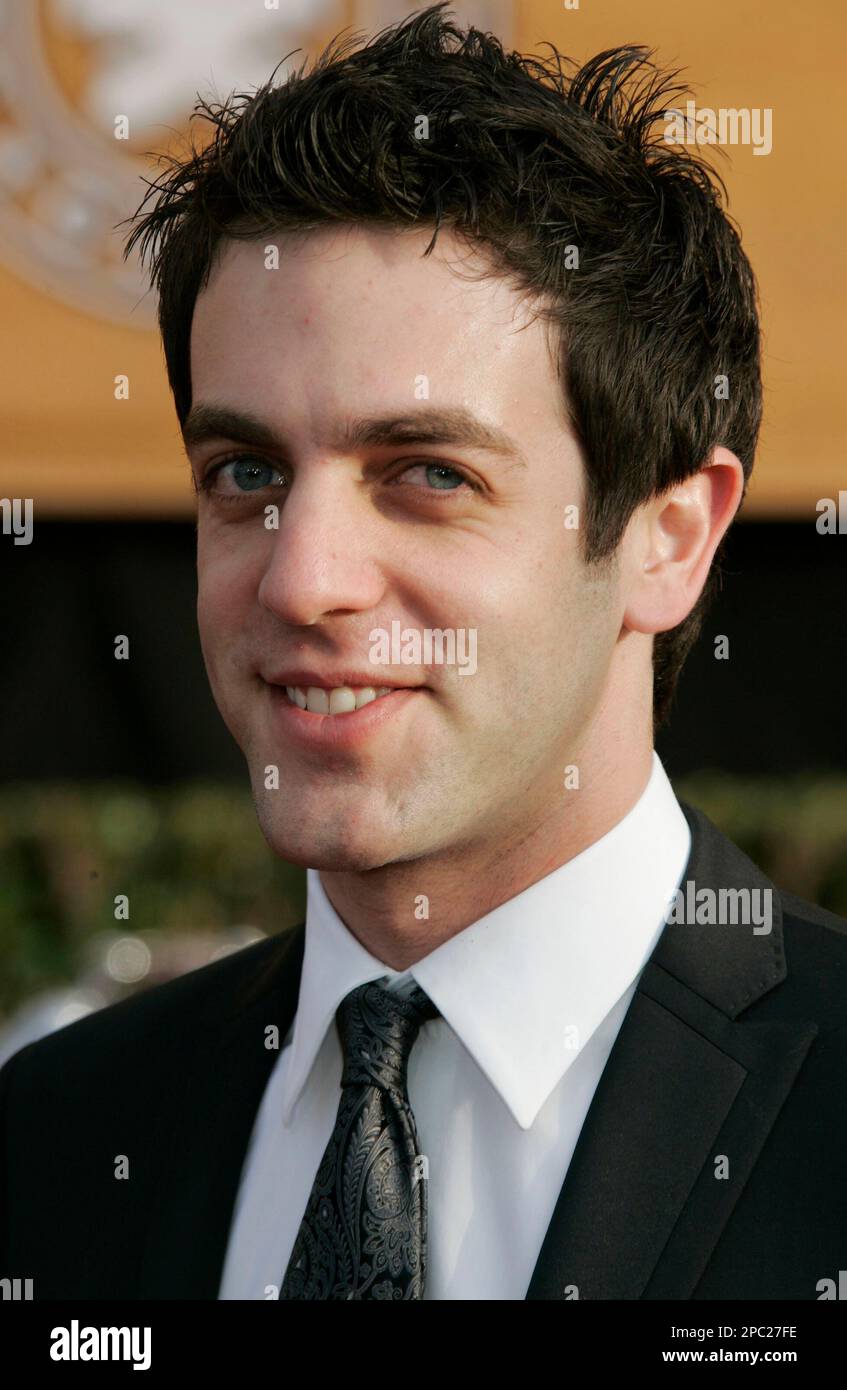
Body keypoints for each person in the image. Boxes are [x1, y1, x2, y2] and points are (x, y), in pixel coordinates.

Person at [1, 4, 844, 1301]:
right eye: (244, 471)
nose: (301, 577)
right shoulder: (58, 1134)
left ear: (671, 539)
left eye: (429, 474)